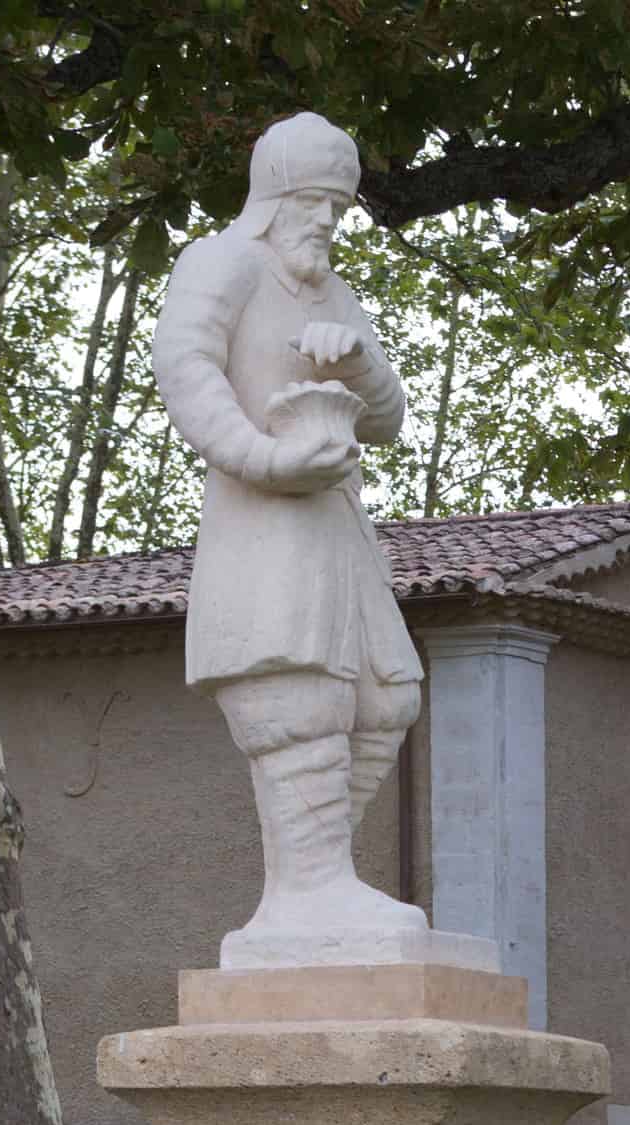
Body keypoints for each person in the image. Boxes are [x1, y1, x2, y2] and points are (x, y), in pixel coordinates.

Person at [151, 111, 451, 966]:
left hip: (336, 521)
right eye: (315, 201)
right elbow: (186, 365)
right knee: (299, 695)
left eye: (341, 206)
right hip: (263, 523)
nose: (327, 220)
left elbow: (388, 416)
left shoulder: (331, 291)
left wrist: (354, 362)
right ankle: (310, 887)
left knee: (387, 696)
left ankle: (310, 882)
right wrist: (261, 457)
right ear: (275, 195)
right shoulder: (222, 260)